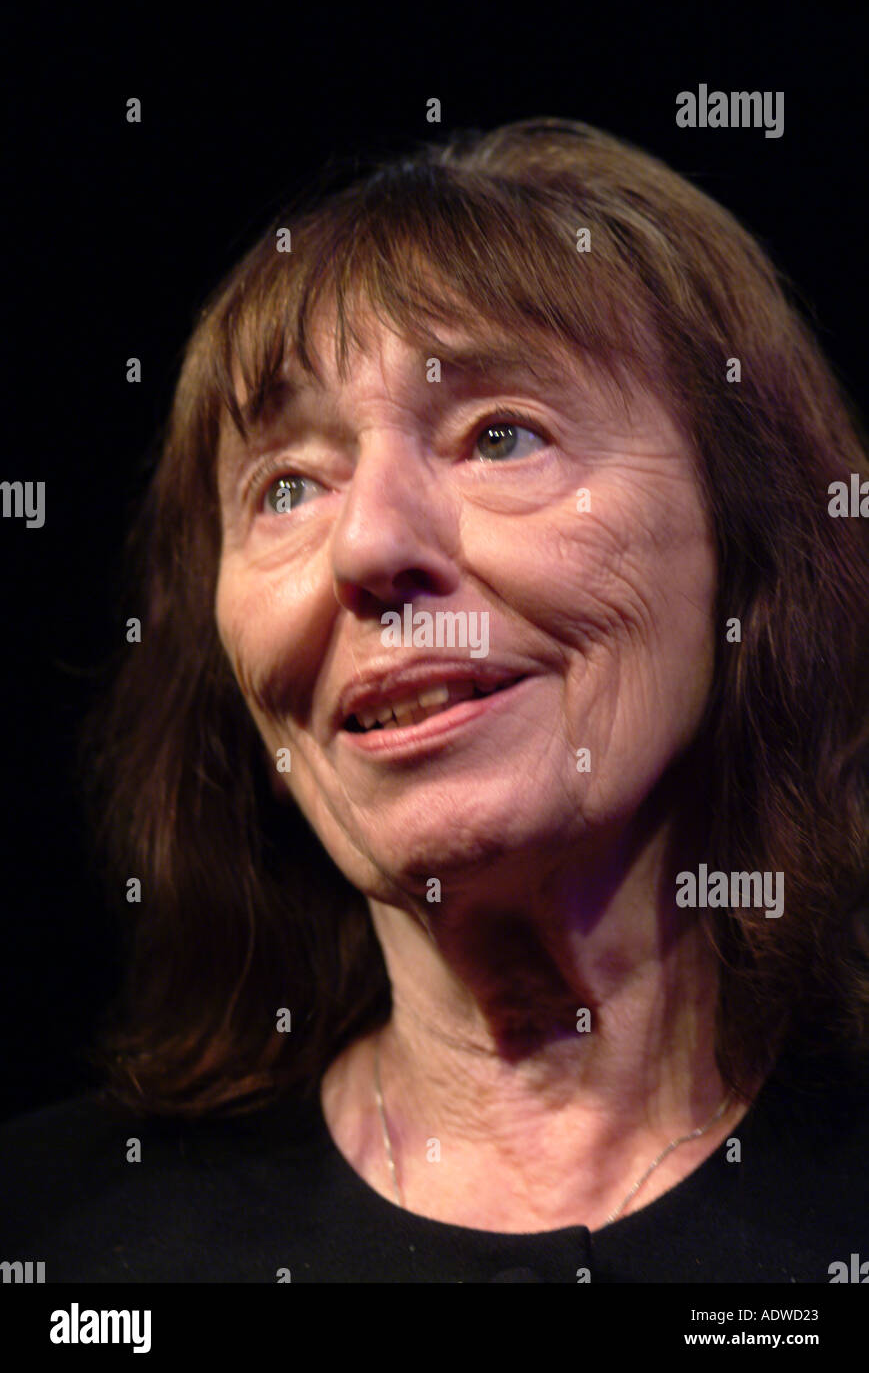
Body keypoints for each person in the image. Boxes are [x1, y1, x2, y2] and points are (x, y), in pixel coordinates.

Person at [1, 117, 867, 1283]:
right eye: (287, 486)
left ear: (746, 543)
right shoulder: (50, 1238)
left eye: (499, 435)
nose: (365, 545)